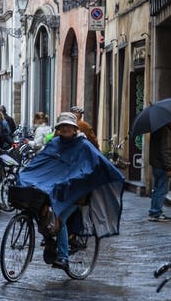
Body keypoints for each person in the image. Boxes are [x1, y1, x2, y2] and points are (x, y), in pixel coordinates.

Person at [18, 111, 125, 271]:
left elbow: (94, 165)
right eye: (63, 126)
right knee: (40, 212)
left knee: (59, 218)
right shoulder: (55, 143)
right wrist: (27, 174)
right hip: (57, 189)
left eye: (69, 126)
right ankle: (49, 241)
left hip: (77, 193)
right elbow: (42, 161)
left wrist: (74, 178)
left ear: (75, 129)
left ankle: (63, 257)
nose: (66, 128)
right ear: (59, 129)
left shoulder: (84, 146)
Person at [148, 118, 171, 222]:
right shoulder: (165, 131)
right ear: (169, 121)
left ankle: (153, 212)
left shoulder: (157, 129)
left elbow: (161, 147)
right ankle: (156, 213)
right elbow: (164, 151)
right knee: (162, 189)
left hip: (156, 165)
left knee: (157, 189)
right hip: (162, 166)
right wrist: (169, 168)